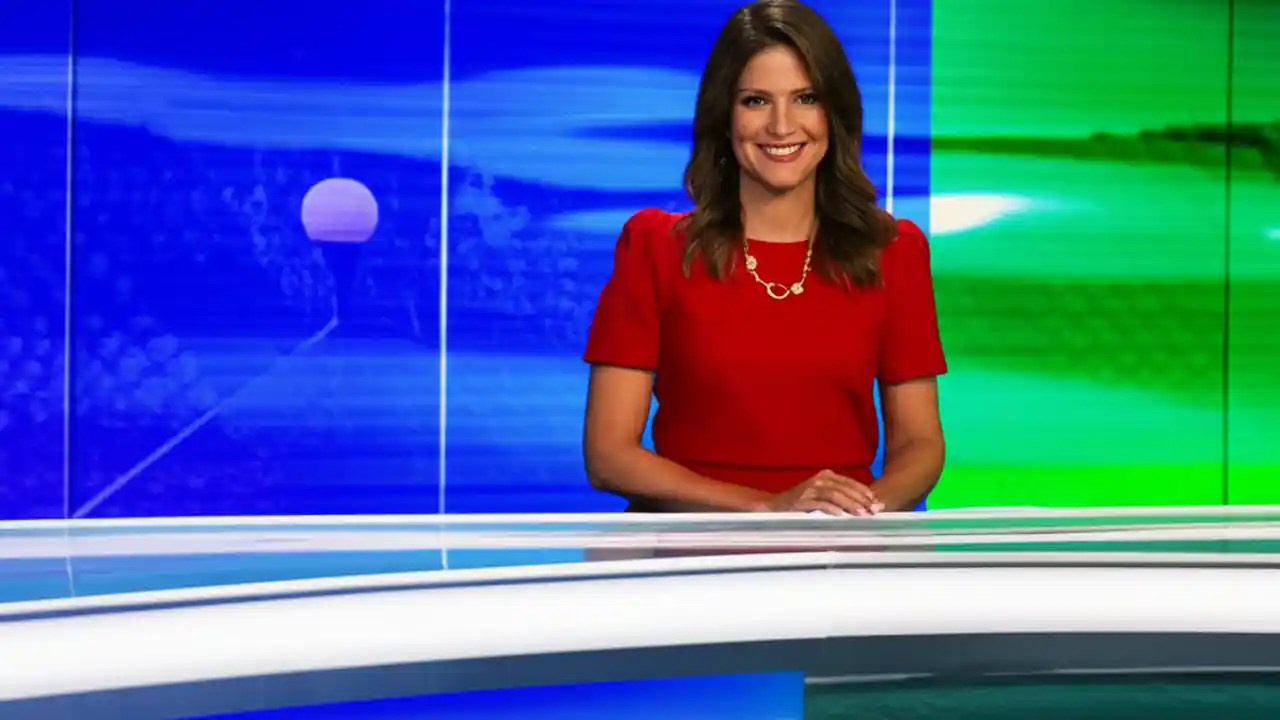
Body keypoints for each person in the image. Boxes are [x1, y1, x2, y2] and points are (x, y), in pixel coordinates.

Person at [581, 0, 946, 516]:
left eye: (805, 98)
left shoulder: (893, 252)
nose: (781, 125)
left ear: (834, 113)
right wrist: (768, 509)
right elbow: (608, 455)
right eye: (755, 101)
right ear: (723, 116)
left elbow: (920, 445)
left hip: (838, 551)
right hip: (689, 549)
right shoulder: (656, 247)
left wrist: (852, 517)